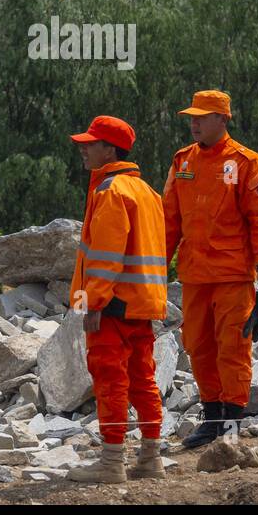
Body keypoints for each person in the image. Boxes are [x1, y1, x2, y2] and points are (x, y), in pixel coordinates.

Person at [163, 90, 258, 449]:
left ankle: (231, 421)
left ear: (222, 120)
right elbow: (169, 220)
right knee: (198, 345)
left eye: (202, 117)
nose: (194, 123)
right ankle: (211, 417)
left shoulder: (245, 162)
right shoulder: (182, 161)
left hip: (231, 273)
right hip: (195, 274)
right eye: (192, 117)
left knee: (233, 347)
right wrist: (155, 267)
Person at [65, 115, 168, 484]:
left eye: (90, 144)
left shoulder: (111, 191)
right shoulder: (148, 192)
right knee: (143, 378)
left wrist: (91, 302)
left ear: (110, 150)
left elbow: (106, 257)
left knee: (110, 378)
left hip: (112, 306)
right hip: (142, 304)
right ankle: (151, 457)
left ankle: (111, 463)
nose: (84, 149)